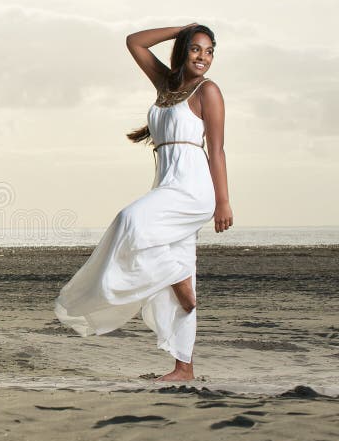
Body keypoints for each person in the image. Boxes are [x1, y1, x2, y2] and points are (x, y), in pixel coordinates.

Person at [54, 23, 233, 382]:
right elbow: (134, 42)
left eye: (210, 51)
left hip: (193, 189)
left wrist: (223, 203)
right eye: (196, 48)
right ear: (183, 50)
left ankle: (175, 274)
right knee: (179, 270)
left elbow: (216, 150)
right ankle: (183, 367)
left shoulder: (207, 91)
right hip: (166, 184)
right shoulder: (166, 85)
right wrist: (185, 28)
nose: (203, 57)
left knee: (130, 221)